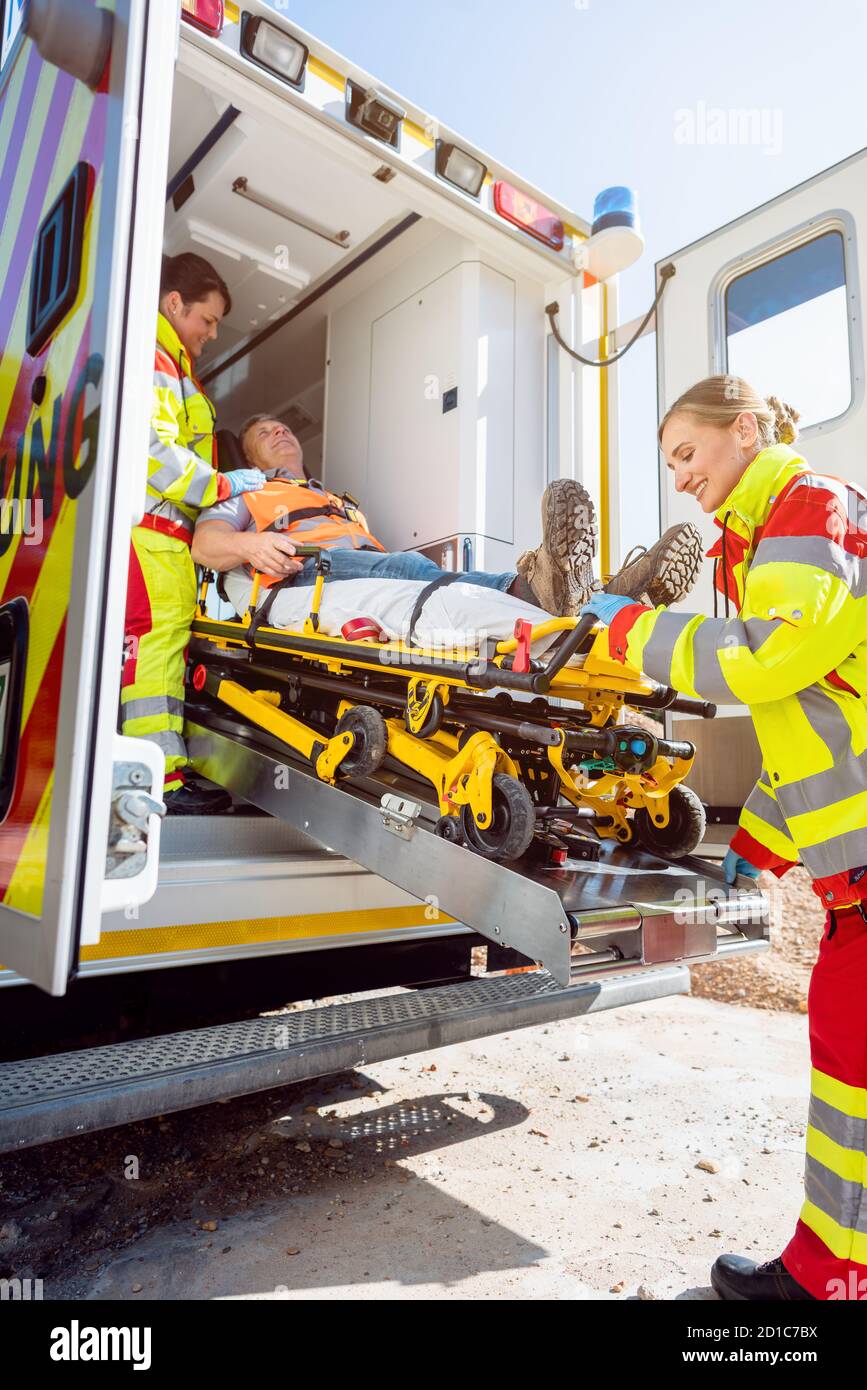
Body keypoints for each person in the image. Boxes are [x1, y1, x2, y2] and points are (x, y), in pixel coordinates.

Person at [582, 374, 867, 1302]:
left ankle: (825, 1280)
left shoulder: (805, 508)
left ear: (743, 431)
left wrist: (627, 631)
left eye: (686, 454)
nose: (678, 479)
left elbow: (767, 653)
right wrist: (757, 849)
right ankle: (832, 1270)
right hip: (848, 882)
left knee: (849, 1068)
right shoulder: (761, 535)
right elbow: (820, 730)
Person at [191, 414, 704, 619]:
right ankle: (554, 588)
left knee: (407, 570)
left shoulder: (342, 502)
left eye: (284, 427)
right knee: (412, 572)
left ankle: (604, 595)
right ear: (250, 457)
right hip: (304, 573)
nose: (280, 433)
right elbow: (204, 544)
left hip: (356, 567)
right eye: (266, 434)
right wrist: (250, 547)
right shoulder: (248, 492)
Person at [121, 254, 267, 815]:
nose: (211, 333)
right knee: (155, 654)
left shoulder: (172, 363)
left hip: (166, 537)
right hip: (154, 531)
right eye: (207, 319)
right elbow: (152, 455)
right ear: (173, 303)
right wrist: (222, 484)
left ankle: (160, 772)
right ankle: (156, 781)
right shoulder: (157, 358)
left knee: (161, 652)